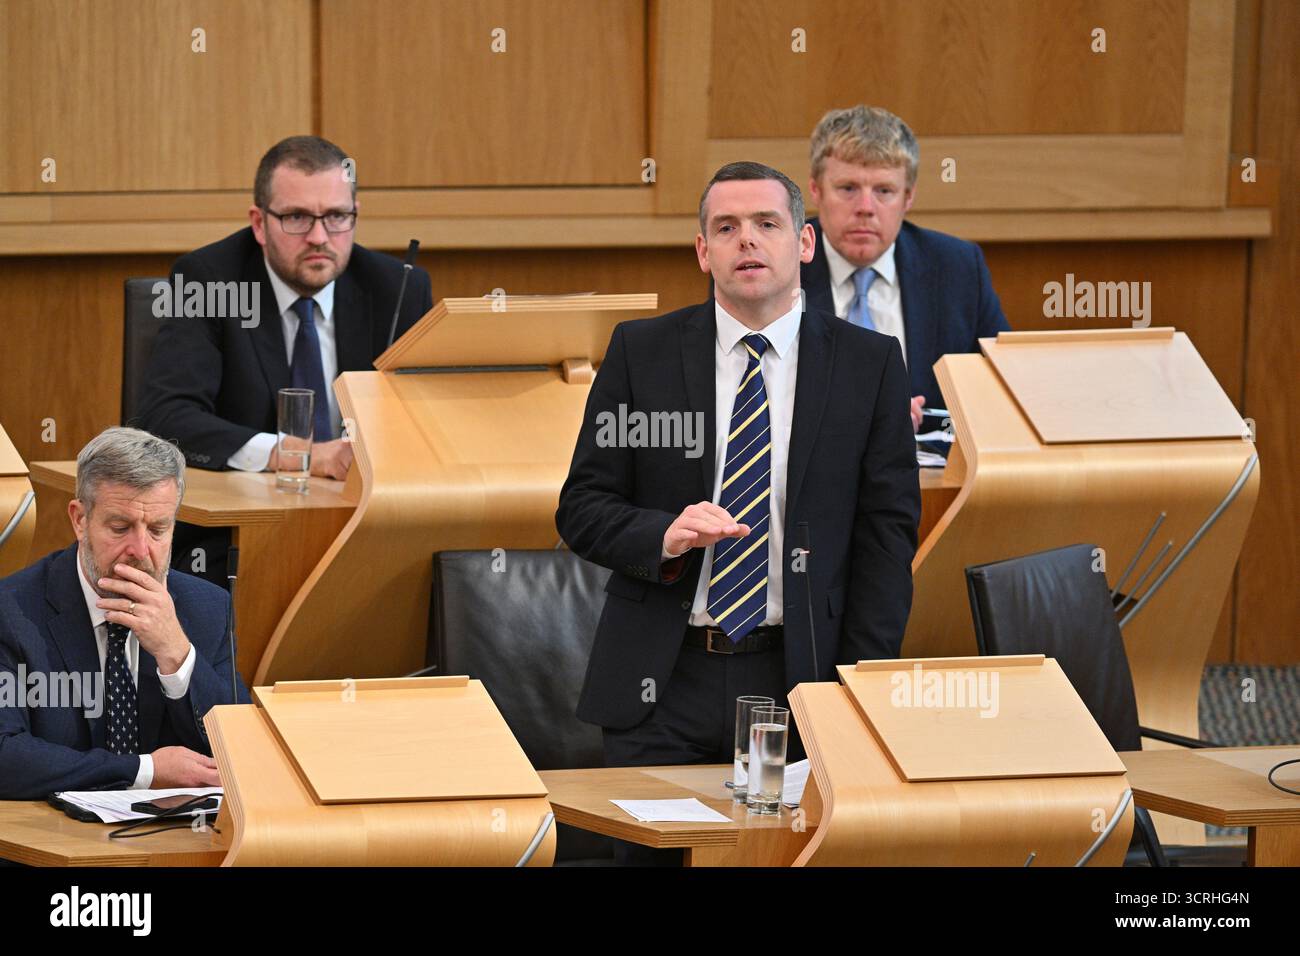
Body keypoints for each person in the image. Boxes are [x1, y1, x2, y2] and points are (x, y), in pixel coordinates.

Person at [556, 161, 919, 863]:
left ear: (805, 244)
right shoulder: (643, 353)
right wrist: (659, 533)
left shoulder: (868, 365)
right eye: (726, 228)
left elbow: (887, 541)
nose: (746, 241)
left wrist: (855, 699)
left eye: (766, 224)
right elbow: (583, 507)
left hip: (799, 682)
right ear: (703, 251)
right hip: (662, 681)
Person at [137, 134, 433, 479]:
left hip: (367, 511)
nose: (319, 238)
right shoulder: (209, 281)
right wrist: (297, 455)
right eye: (296, 217)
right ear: (260, 224)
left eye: (337, 216)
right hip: (242, 515)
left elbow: (426, 420)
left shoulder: (399, 288)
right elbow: (166, 418)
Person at [0, 428, 249, 800]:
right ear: (80, 520)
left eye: (158, 530)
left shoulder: (206, 608)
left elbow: (243, 750)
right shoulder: (13, 610)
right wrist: (144, 770)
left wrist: (177, 655)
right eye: (120, 528)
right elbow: (7, 757)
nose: (140, 549)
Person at [801, 105, 1010, 432]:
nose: (865, 209)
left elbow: (1002, 390)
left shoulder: (957, 268)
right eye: (848, 189)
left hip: (927, 476)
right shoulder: (773, 267)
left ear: (908, 196)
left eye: (884, 191)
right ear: (816, 190)